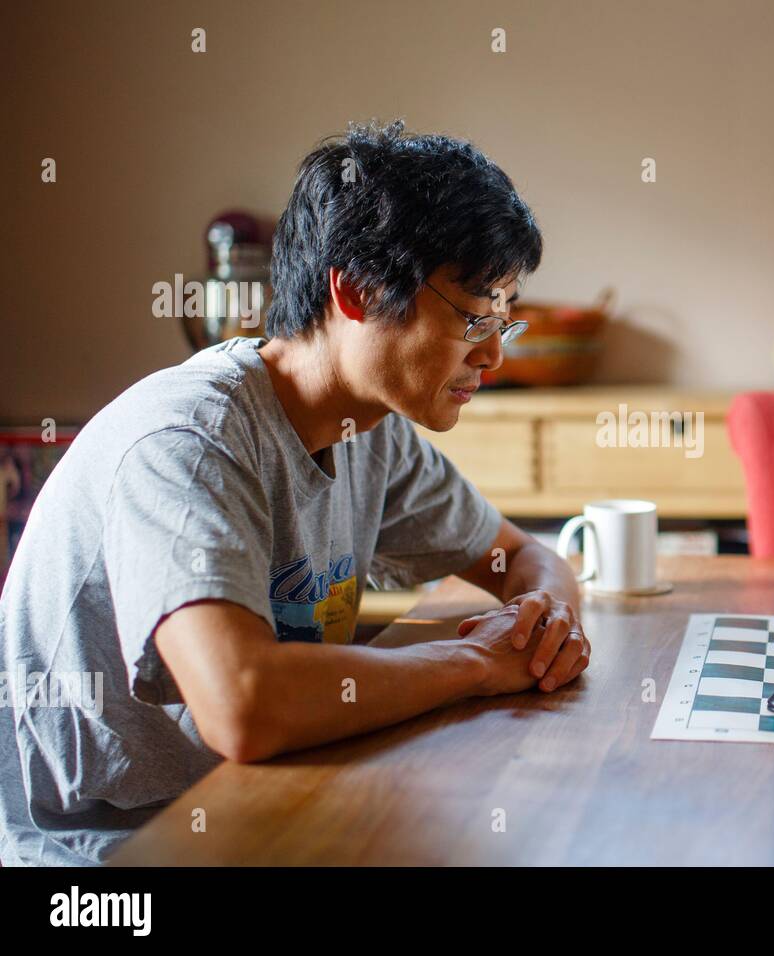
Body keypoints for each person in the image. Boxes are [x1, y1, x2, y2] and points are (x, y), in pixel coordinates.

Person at [0, 121, 589, 866]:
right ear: (355, 290)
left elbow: (521, 557)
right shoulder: (191, 438)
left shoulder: (371, 430)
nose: (495, 354)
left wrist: (547, 623)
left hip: (257, 807)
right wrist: (473, 663)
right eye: (475, 316)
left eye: (506, 318)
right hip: (105, 857)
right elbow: (243, 705)